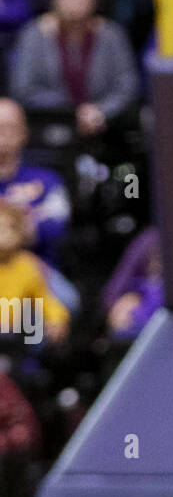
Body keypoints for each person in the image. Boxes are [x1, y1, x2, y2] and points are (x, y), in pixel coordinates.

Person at [9, 0, 139, 141]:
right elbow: (23, 89)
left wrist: (100, 111)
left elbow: (127, 86)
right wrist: (72, 112)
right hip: (51, 126)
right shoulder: (34, 35)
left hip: (107, 126)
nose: (77, 0)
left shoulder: (112, 34)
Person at [0, 97, 71, 265]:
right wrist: (25, 218)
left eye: (9, 128)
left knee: (66, 293)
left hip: (38, 270)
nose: (2, 135)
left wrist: (13, 230)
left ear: (24, 133)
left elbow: (56, 226)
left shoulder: (47, 180)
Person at [0, 199, 69, 344]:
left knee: (36, 329)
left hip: (15, 338)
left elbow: (44, 299)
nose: (3, 234)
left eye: (9, 227)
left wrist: (57, 319)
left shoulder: (27, 265)